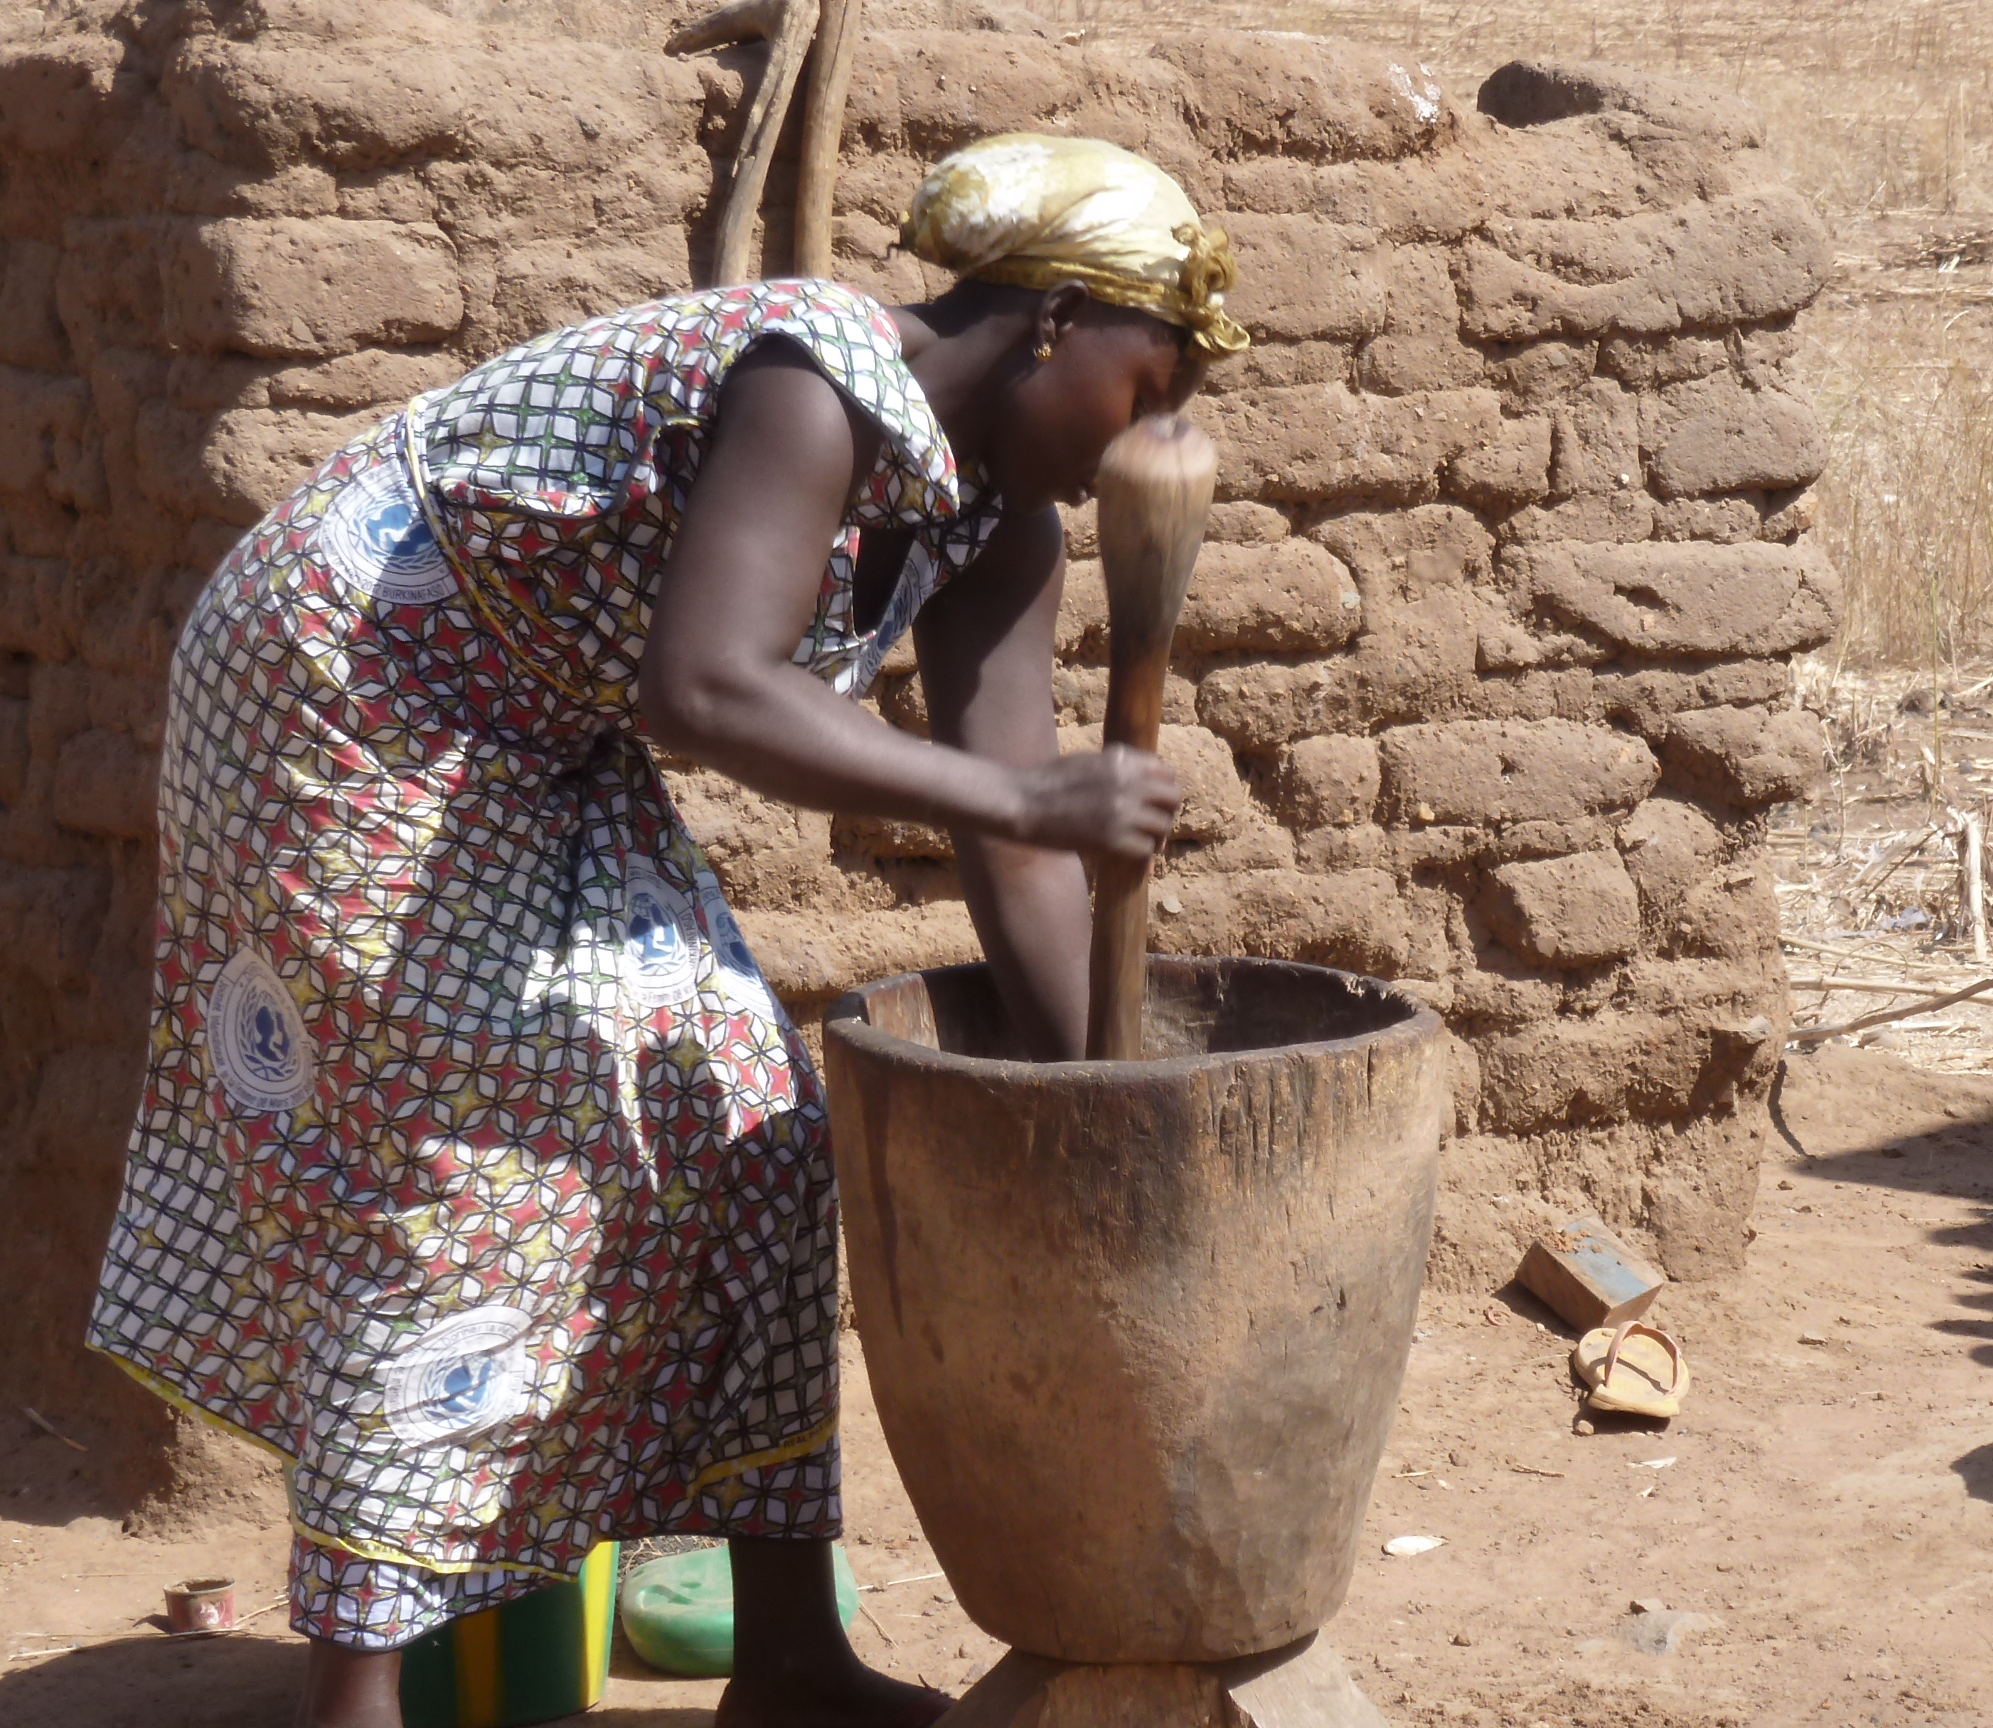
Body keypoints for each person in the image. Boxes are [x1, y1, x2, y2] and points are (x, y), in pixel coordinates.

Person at [84, 133, 1251, 1728]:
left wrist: (1103, 1105)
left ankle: (788, 1664)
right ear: (1052, 322)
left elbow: (1010, 825)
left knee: (755, 1125)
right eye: (1155, 381)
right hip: (350, 693)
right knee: (454, 1179)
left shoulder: (1002, 528)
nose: (1161, 434)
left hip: (542, 735)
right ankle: (356, 1693)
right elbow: (707, 687)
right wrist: (1046, 808)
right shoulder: (813, 377)